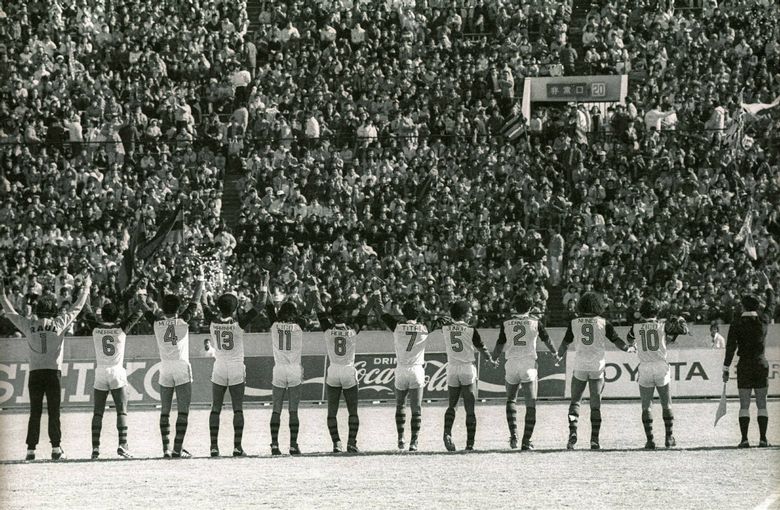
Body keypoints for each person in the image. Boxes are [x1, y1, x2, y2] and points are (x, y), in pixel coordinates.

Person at [1, 273, 91, 461]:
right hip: (53, 373)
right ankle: (56, 448)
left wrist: (2, 295)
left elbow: (11, 314)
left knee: (34, 412)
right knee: (54, 411)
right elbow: (77, 308)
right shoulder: (59, 323)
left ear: (38, 310)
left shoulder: (29, 324)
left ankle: (31, 450)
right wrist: (86, 289)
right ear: (53, 310)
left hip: (35, 373)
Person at [203, 271, 269, 457]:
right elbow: (261, 303)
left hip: (219, 366)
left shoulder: (213, 321)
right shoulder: (239, 322)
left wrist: (203, 285)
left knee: (215, 408)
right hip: (236, 367)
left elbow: (203, 303)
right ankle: (237, 447)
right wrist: (265, 282)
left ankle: (214, 447)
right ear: (233, 309)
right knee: (237, 408)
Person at [556, 292, 634, 449]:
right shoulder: (604, 323)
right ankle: (594, 439)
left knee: (575, 402)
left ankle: (573, 431)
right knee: (595, 404)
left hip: (580, 366)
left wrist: (558, 356)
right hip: (597, 367)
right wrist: (628, 348)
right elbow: (617, 341)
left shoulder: (574, 322)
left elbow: (565, 344)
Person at [139, 279, 205, 458]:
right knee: (183, 410)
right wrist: (200, 280)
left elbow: (143, 306)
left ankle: (165, 449)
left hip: (165, 368)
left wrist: (141, 291)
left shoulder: (156, 322)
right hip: (182, 366)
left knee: (165, 410)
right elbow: (195, 301)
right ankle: (178, 448)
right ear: (178, 308)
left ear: (162, 308)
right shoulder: (183, 321)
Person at [491, 293, 558, 450]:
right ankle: (526, 441)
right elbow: (547, 340)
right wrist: (556, 354)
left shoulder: (507, 323)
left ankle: (513, 434)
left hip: (511, 364)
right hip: (528, 365)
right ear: (531, 307)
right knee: (531, 404)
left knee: (511, 400)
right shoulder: (535, 322)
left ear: (515, 306)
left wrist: (493, 359)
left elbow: (500, 343)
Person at [374, 297, 439, 452]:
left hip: (401, 369)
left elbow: (382, 312)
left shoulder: (397, 326)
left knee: (400, 405)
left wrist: (379, 295)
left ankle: (401, 438)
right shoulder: (425, 328)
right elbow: (439, 320)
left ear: (403, 313)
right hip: (416, 369)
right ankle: (414, 442)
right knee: (416, 408)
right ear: (418, 314)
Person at [626, 299, 688, 449]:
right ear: (657, 311)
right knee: (666, 403)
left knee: (646, 406)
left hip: (645, 366)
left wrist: (636, 343)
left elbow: (629, 339)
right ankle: (669, 437)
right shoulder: (663, 325)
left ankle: (650, 440)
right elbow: (682, 331)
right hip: (661, 365)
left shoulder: (636, 327)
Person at [316, 294, 375, 453]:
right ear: (344, 316)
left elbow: (319, 311)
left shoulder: (328, 330)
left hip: (333, 370)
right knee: (353, 411)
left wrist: (315, 291)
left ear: (333, 317)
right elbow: (364, 314)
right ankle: (351, 442)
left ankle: (336, 443)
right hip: (348, 370)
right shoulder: (351, 331)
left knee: (331, 412)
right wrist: (374, 296)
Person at [722, 273, 774, 448]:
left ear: (743, 306)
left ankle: (744, 439)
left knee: (744, 404)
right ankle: (763, 439)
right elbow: (771, 304)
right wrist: (767, 286)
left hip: (744, 365)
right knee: (762, 404)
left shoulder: (736, 323)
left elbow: (730, 348)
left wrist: (726, 367)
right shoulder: (763, 320)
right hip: (760, 364)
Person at [85, 299, 142, 459]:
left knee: (98, 413)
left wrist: (85, 289)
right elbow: (138, 313)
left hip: (101, 371)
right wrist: (141, 294)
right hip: (117, 371)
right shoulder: (121, 328)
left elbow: (86, 310)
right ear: (117, 316)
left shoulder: (95, 328)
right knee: (121, 411)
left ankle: (95, 449)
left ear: (102, 315)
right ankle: (122, 444)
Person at [441, 301, 497, 452]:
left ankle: (447, 432)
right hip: (467, 368)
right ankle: (470, 444)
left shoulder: (445, 328)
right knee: (470, 409)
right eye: (470, 312)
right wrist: (491, 360)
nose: (472, 314)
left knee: (452, 405)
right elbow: (482, 348)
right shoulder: (471, 330)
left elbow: (441, 322)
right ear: (464, 314)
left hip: (452, 368)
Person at [266, 295, 308, 455]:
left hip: (279, 368)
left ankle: (275, 445)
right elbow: (308, 310)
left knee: (276, 409)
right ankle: (293, 444)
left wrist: (266, 284)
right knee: (293, 411)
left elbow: (269, 307)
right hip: (294, 368)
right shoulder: (299, 325)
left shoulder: (275, 325)